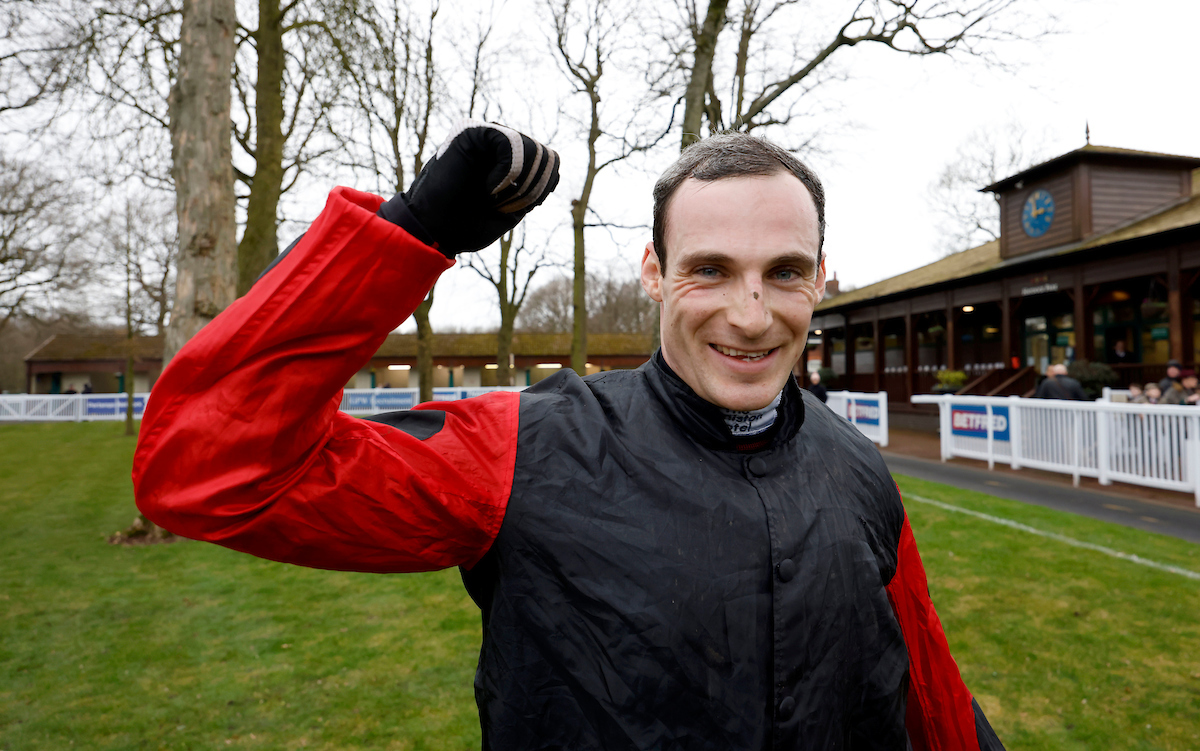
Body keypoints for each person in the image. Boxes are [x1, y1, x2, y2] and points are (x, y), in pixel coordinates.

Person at [133, 123, 1003, 749]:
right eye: (710, 270)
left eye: (784, 274)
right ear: (655, 275)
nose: (752, 313)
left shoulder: (855, 468)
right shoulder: (523, 449)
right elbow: (205, 466)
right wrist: (407, 238)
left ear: (822, 277)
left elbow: (930, 696)